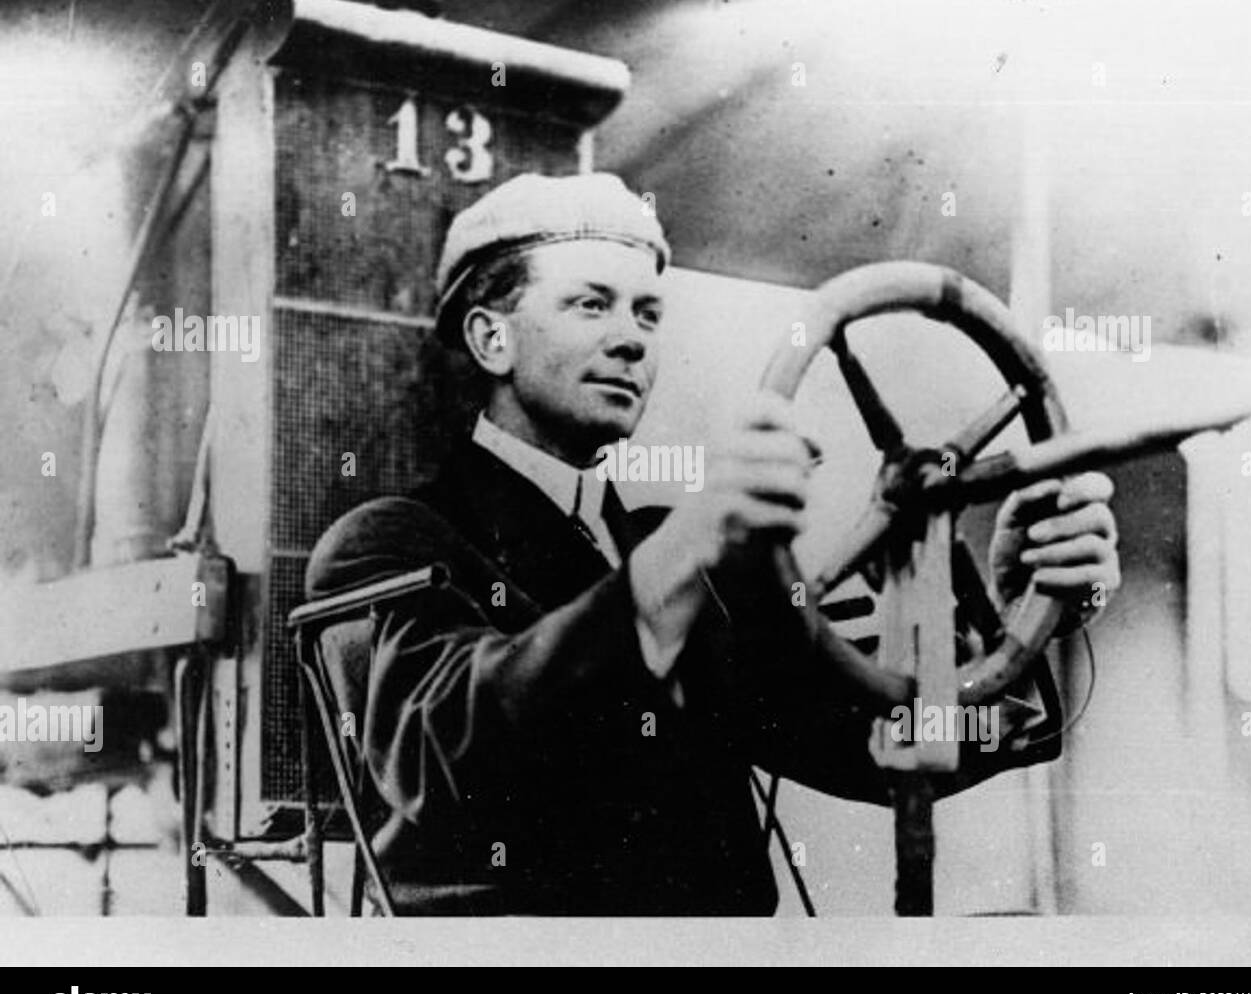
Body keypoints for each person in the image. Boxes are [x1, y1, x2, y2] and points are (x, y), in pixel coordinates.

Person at [308, 172, 1120, 915]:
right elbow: (450, 758)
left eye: (647, 312)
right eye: (591, 305)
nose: (632, 340)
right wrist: (687, 547)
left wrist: (1003, 612)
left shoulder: (677, 548)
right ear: (492, 340)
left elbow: (870, 742)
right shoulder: (389, 542)